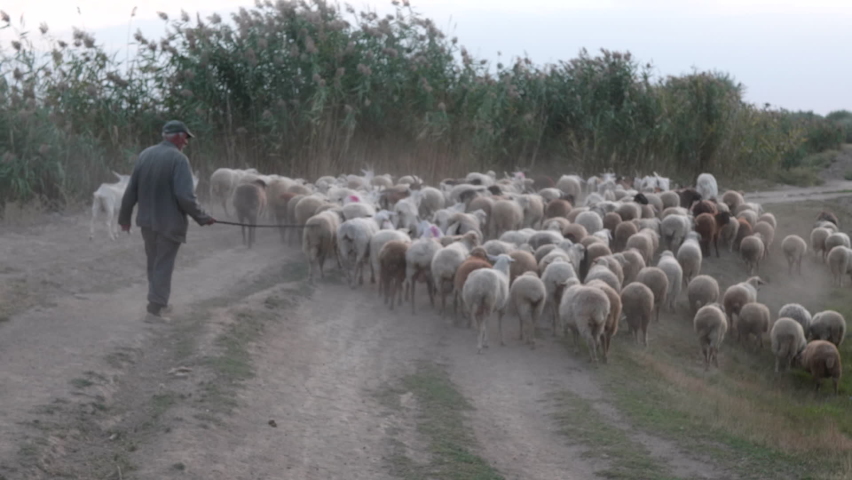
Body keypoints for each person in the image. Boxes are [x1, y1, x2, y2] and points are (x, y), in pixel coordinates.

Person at [118, 120, 216, 322]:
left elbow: (131, 190)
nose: (187, 143)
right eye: (186, 138)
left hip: (147, 222)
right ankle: (155, 310)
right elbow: (185, 196)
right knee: (163, 264)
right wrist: (202, 217)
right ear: (179, 137)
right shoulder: (179, 159)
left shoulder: (145, 155)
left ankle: (157, 300)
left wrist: (124, 218)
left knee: (154, 263)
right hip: (169, 223)